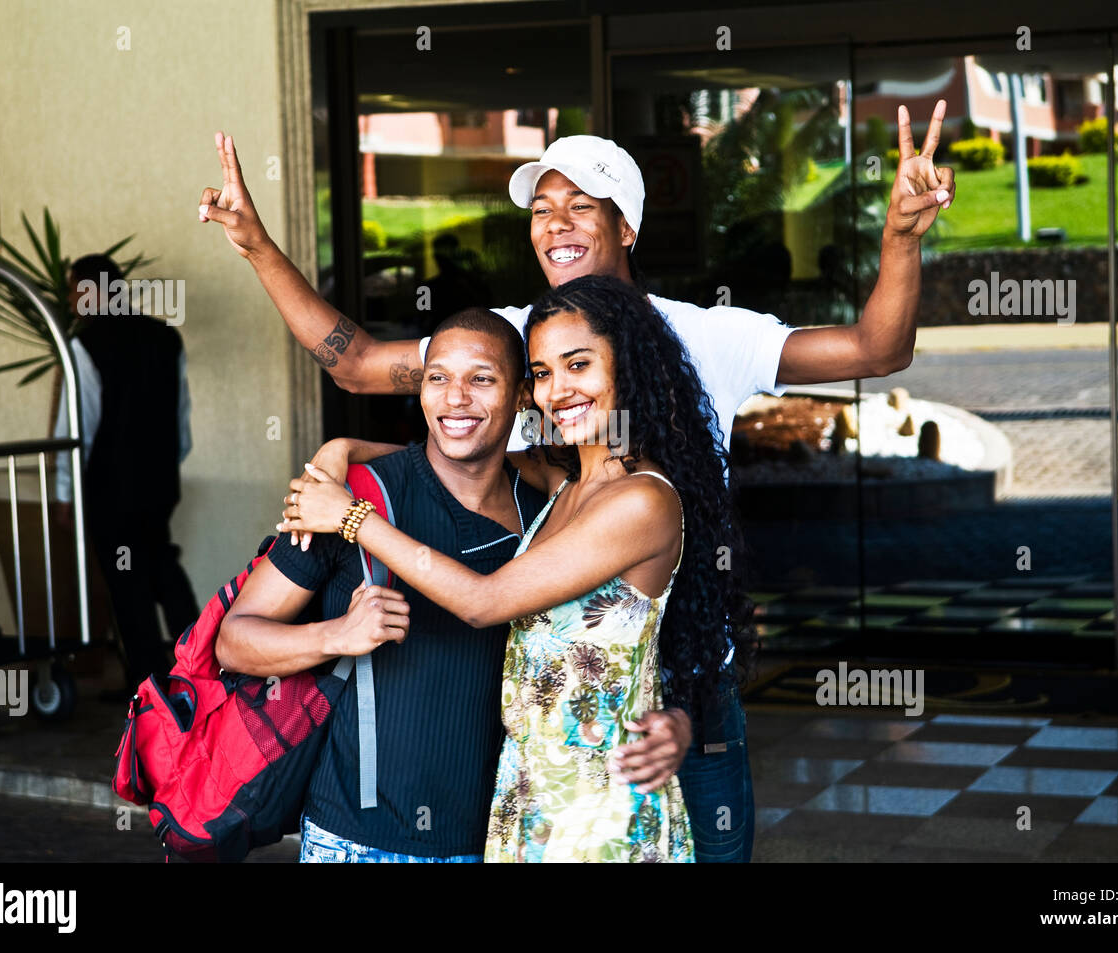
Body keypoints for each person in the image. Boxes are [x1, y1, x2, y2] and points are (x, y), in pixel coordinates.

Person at [198, 107, 955, 862]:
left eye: (581, 205)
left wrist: (900, 239)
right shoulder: (515, 345)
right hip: (556, 728)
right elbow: (370, 370)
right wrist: (262, 259)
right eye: (541, 208)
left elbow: (875, 349)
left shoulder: (702, 341)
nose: (556, 223)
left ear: (626, 227)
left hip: (682, 689)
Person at [281, 276, 749, 862]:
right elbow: (462, 445)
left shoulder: (641, 502)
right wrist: (342, 449)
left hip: (598, 810)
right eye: (545, 373)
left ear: (627, 368)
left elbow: (483, 602)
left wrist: (352, 517)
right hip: (526, 801)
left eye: (579, 365)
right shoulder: (565, 481)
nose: (560, 390)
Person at [53, 254, 198, 691]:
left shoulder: (85, 345)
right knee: (161, 566)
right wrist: (167, 465)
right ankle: (200, 661)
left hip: (111, 488)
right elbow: (181, 418)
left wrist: (64, 491)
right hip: (158, 483)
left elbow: (78, 425)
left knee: (127, 581)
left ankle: (146, 681)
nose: (72, 299)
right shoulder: (165, 338)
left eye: (76, 289)